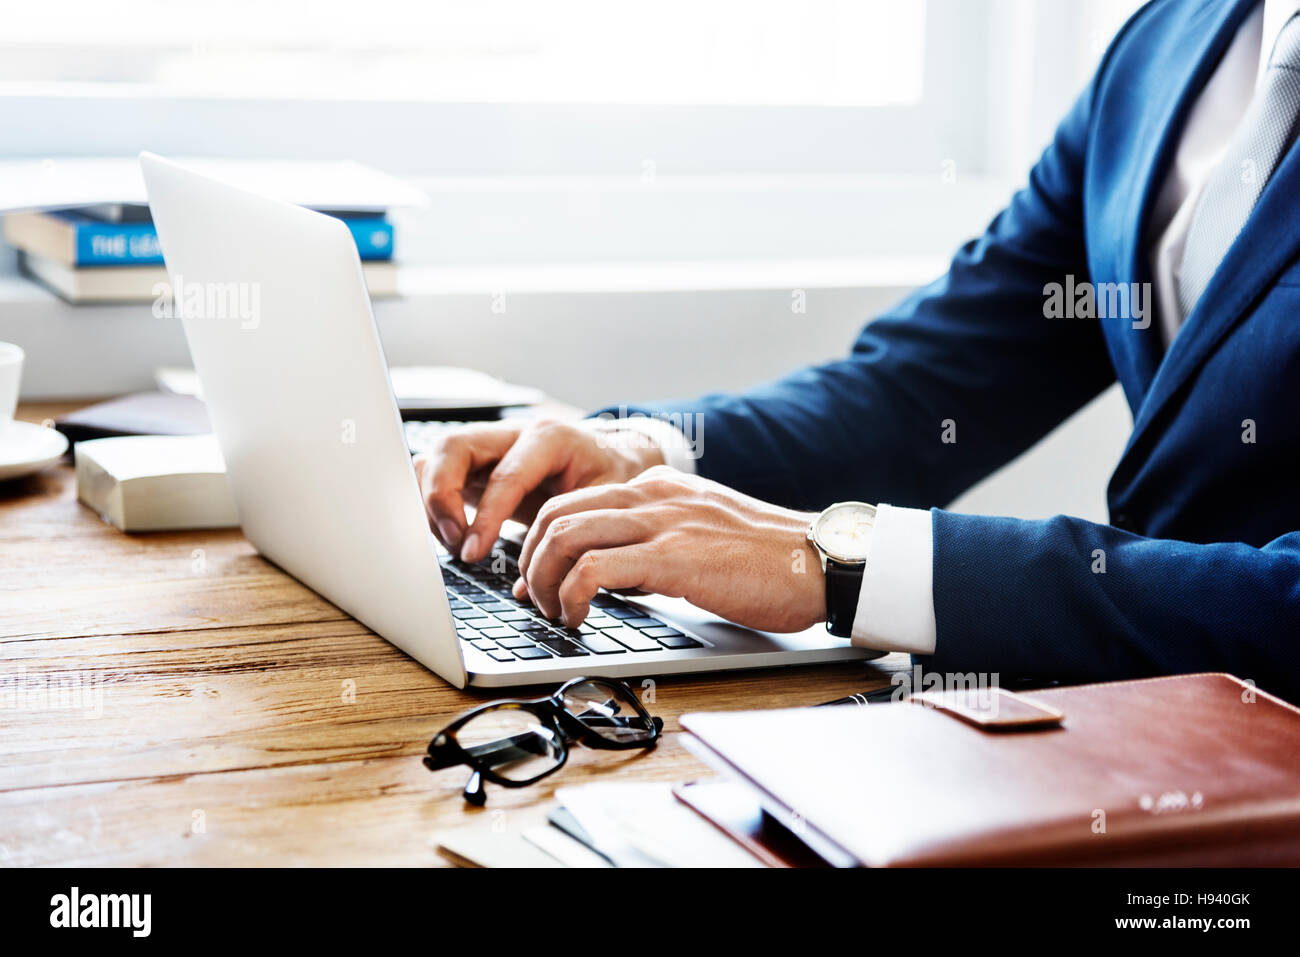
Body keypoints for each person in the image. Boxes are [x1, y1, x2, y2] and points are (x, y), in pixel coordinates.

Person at [416, 0, 1300, 700]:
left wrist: (848, 563)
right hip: (1152, 731)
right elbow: (929, 389)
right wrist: (646, 450)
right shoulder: (1169, 45)